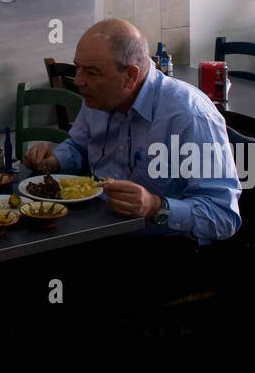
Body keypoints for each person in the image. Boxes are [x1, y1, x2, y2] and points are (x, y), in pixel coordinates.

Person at [22, 19, 241, 244]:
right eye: (77, 67)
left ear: (130, 76)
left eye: (91, 72)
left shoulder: (188, 116)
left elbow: (223, 216)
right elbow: (79, 146)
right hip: (96, 227)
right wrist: (56, 159)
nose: (78, 81)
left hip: (158, 243)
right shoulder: (97, 100)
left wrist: (155, 206)